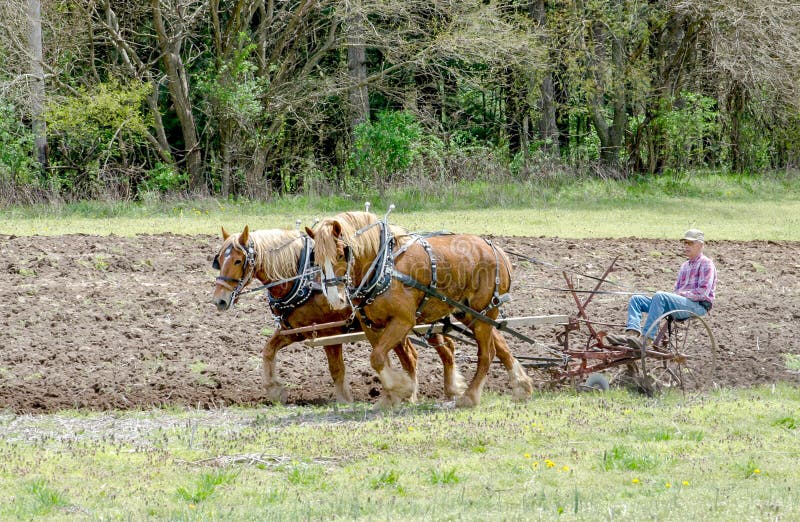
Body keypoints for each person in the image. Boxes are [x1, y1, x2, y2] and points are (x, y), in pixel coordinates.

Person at [606, 229, 717, 350]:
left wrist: (679, 294)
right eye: (685, 243)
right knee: (636, 299)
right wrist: (675, 295)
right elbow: (677, 290)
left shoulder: (706, 264)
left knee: (660, 296)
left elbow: (702, 292)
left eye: (690, 243)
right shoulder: (685, 266)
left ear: (701, 245)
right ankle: (631, 335)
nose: (686, 246)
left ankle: (647, 338)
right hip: (682, 303)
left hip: (698, 306)